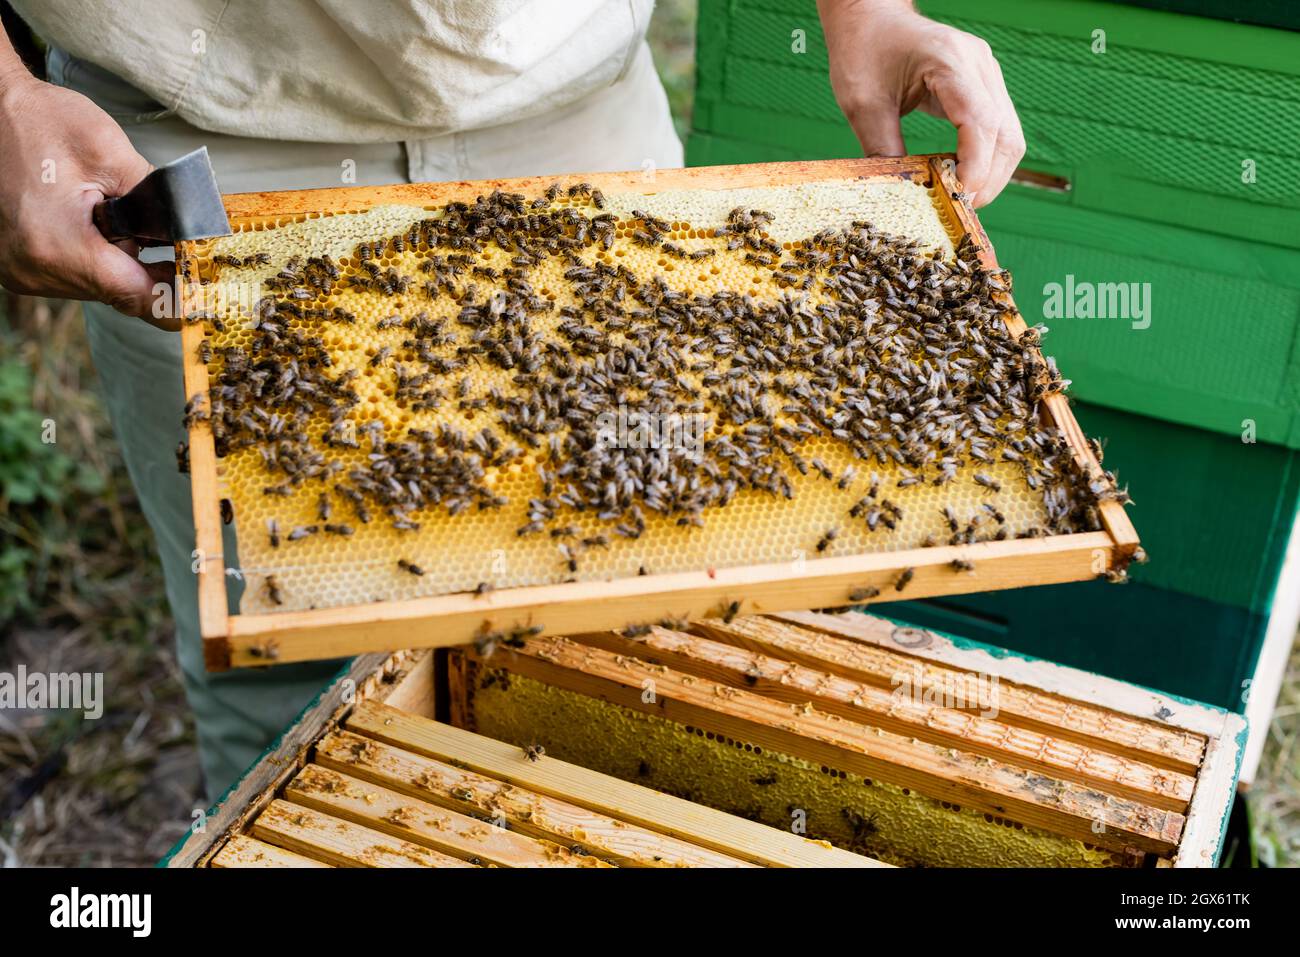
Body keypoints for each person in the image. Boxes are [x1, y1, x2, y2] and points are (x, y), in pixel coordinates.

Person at [0, 0, 1024, 801]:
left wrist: (866, 9)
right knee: (295, 683)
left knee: (648, 655)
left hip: (578, 134)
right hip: (199, 159)